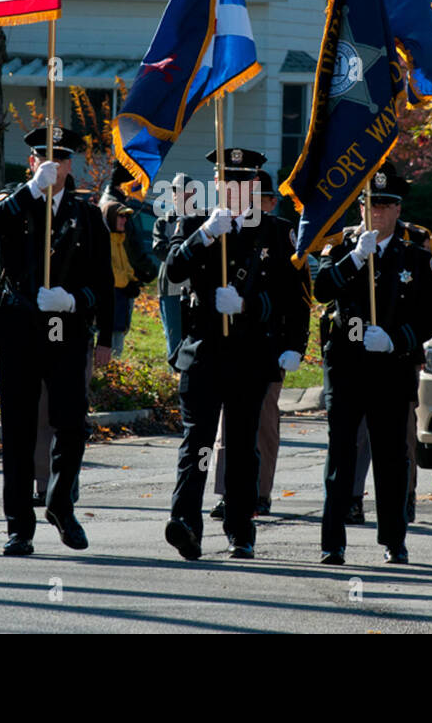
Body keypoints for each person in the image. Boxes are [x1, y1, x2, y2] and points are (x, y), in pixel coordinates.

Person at [162, 148, 308, 560]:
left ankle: (240, 530)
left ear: (254, 185)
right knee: (197, 443)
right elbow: (172, 270)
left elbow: (292, 301)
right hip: (204, 351)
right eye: (226, 183)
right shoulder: (196, 223)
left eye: (242, 183)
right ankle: (186, 523)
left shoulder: (277, 233)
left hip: (250, 354)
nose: (234, 190)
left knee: (243, 446)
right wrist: (205, 235)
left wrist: (287, 340)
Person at [0, 126, 112, 556]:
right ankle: (19, 526)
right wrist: (29, 191)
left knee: (72, 423)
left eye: (62, 159)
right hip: (20, 328)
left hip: (68, 330)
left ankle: (60, 501)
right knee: (18, 431)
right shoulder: (14, 203)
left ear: (71, 166)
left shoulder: (86, 214)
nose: (53, 165)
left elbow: (104, 282)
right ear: (33, 163)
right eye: (44, 157)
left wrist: (76, 303)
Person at [313, 162, 432, 565]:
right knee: (341, 456)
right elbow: (320, 290)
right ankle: (333, 542)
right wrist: (354, 258)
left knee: (391, 458)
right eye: (370, 205)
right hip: (348, 367)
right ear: (361, 210)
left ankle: (393, 539)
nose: (378, 213)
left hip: (390, 369)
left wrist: (396, 340)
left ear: (398, 210)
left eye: (385, 206)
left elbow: (431, 314)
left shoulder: (415, 258)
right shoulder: (341, 248)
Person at [208, 170, 308, 518]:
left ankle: (259, 491)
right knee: (227, 424)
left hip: (267, 345)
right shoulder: (226, 229)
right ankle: (229, 492)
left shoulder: (282, 234)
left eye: (258, 198)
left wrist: (296, 345)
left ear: (270, 201)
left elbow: (299, 298)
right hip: (226, 343)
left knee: (262, 420)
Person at [101, 195, 157, 358]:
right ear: (110, 217)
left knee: (118, 341)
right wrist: (127, 283)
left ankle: (113, 374)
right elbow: (108, 270)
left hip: (121, 298)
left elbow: (126, 267)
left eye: (126, 216)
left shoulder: (121, 238)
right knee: (107, 343)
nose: (125, 220)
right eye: (121, 216)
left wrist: (135, 280)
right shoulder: (104, 240)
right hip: (108, 300)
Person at [152, 173, 192, 362]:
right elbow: (159, 250)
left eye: (185, 192)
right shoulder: (163, 222)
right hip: (170, 288)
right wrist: (184, 252)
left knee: (192, 338)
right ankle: (175, 378)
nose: (180, 196)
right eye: (176, 192)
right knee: (174, 338)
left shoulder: (199, 221)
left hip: (193, 288)